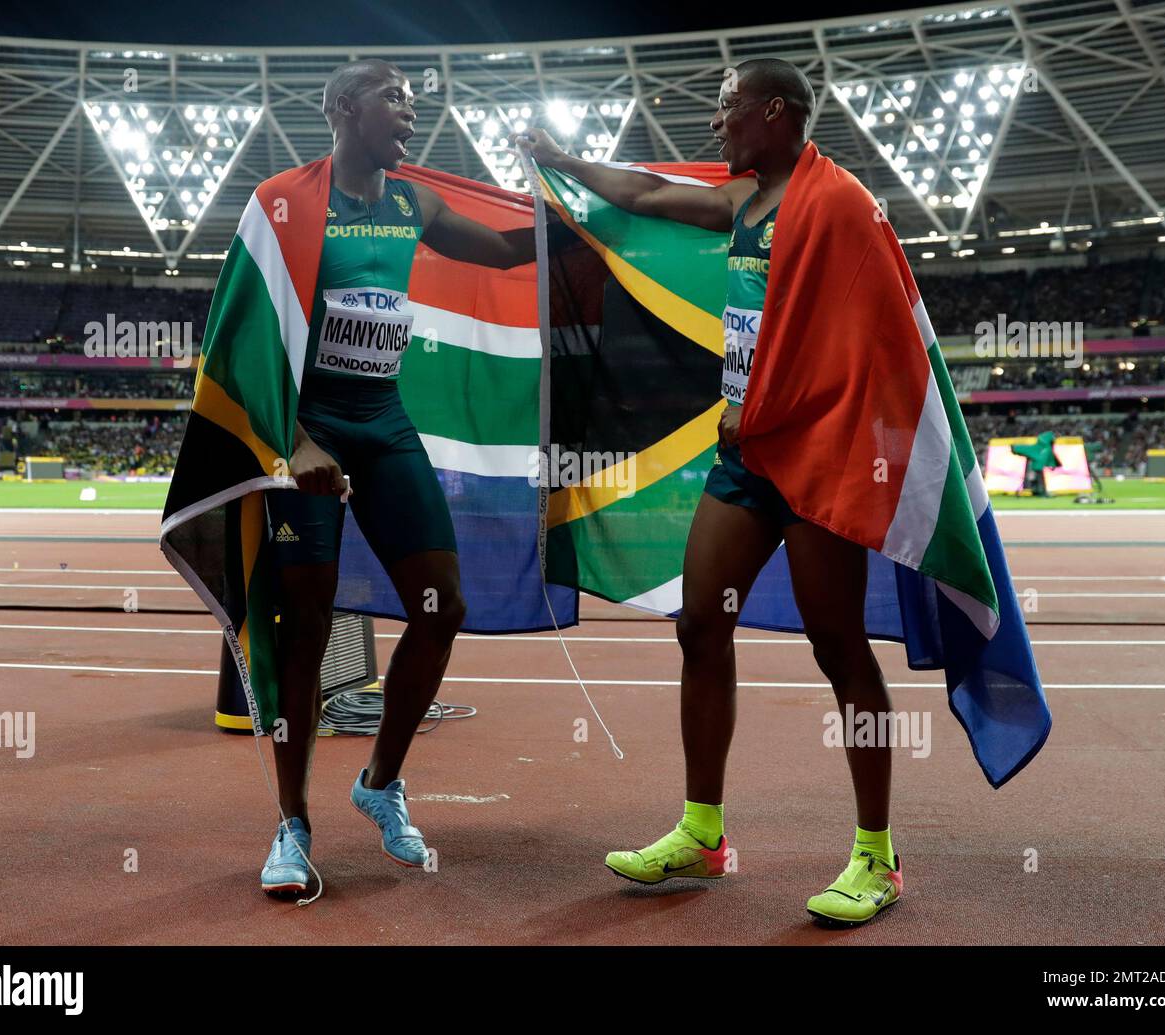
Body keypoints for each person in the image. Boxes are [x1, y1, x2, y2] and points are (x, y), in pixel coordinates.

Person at [521, 58, 902, 926]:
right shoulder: (743, 202)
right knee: (701, 622)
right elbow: (648, 198)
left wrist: (782, 405)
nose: (716, 124)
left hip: (814, 453)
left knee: (838, 644)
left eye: (729, 108)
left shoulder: (838, 203)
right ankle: (704, 833)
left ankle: (877, 856)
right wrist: (566, 164)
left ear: (776, 111)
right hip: (747, 460)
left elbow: (874, 329)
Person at [259, 59, 539, 896]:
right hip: (304, 428)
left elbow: (497, 250)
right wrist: (296, 441)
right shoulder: (287, 201)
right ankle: (290, 822)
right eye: (394, 98)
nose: (411, 112)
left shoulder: (412, 203)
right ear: (342, 107)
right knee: (303, 629)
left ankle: (378, 782)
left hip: (382, 422)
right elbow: (241, 329)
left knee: (441, 604)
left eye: (415, 100)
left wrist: (578, 226)